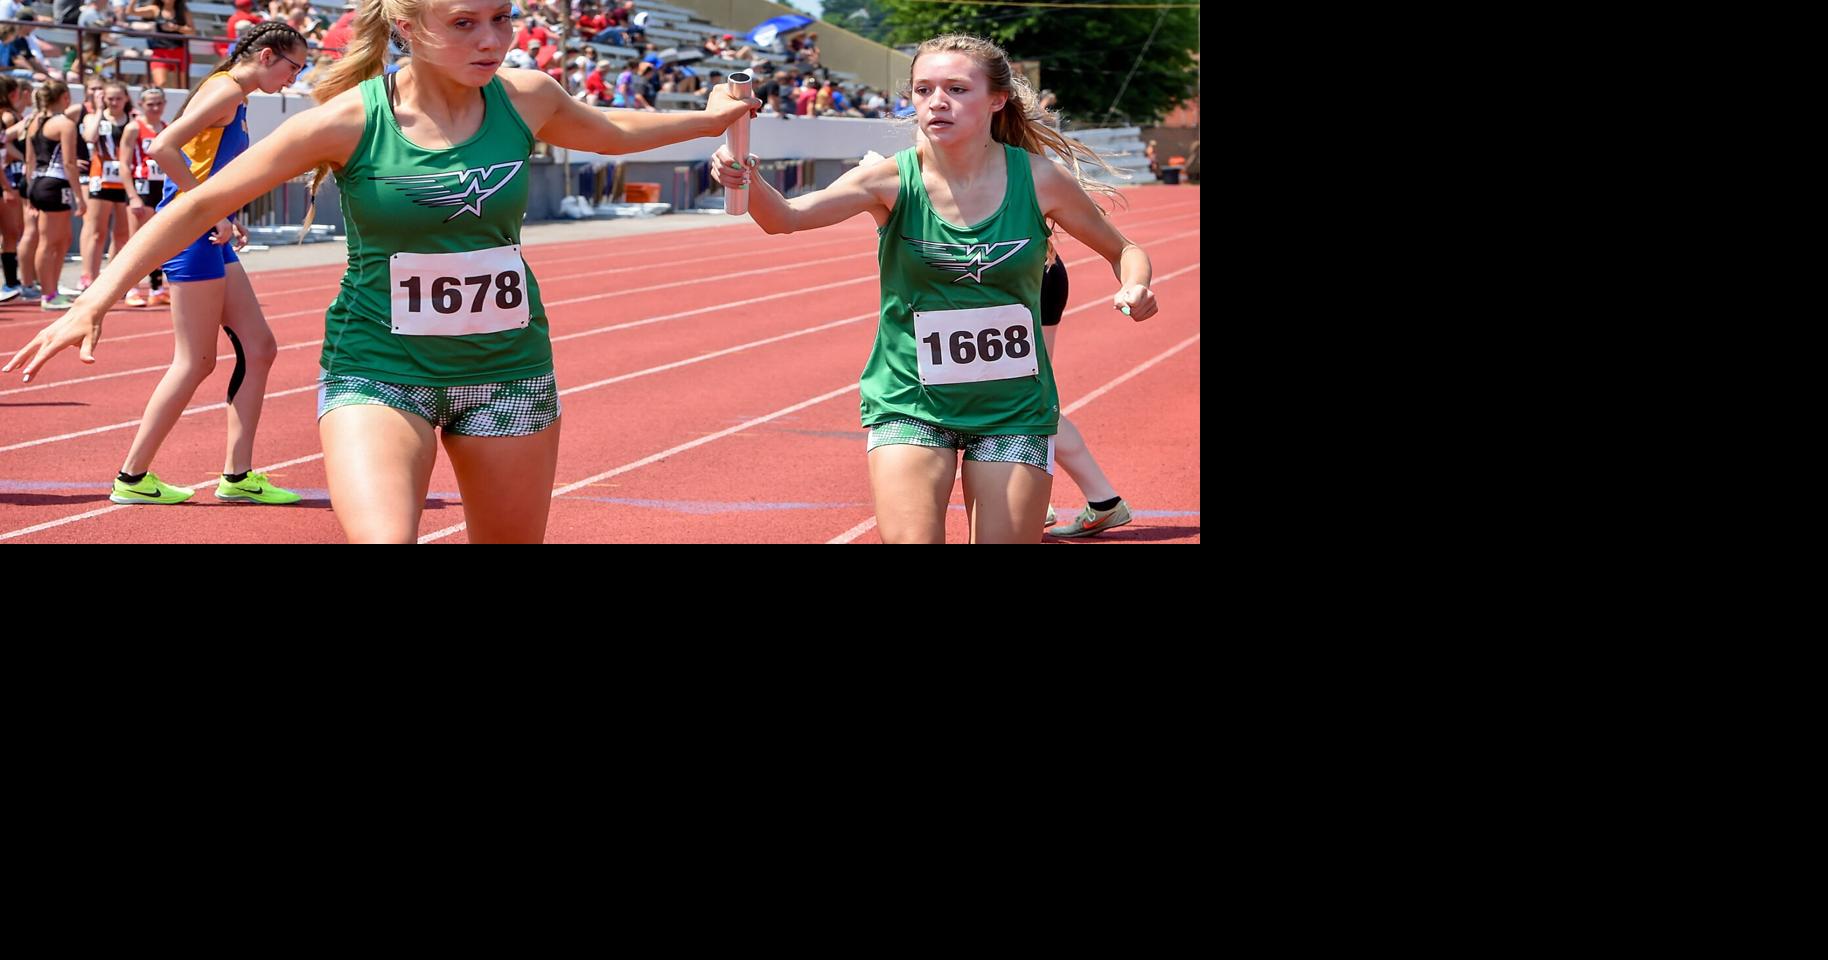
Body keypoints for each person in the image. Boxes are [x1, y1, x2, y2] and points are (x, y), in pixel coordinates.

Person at [10, 0, 759, 543]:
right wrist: (95, 298)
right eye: (464, 22)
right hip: (379, 367)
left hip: (509, 370)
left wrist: (714, 115)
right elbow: (198, 202)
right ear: (407, 26)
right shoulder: (346, 121)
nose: (492, 39)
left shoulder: (526, 97)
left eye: (501, 19)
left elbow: (618, 132)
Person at [710, 34, 1156, 543]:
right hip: (910, 401)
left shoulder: (1038, 179)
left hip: (1013, 409)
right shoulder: (889, 180)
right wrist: (743, 178)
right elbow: (785, 219)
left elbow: (1125, 250)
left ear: (996, 99)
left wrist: (1136, 286)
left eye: (957, 89)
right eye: (923, 89)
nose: (936, 101)